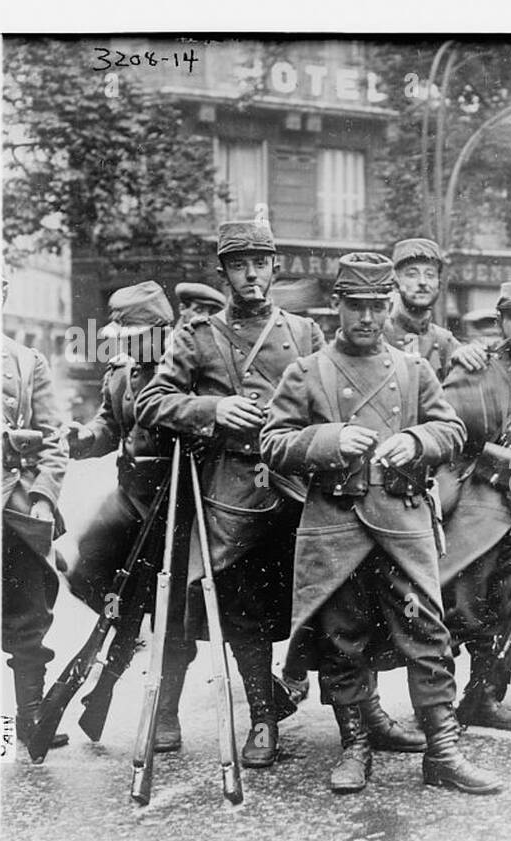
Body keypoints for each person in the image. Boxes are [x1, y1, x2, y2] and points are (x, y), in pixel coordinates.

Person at [260, 253, 501, 795]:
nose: (367, 318)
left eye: (377, 306)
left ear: (388, 306)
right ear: (337, 307)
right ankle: (355, 746)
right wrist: (327, 440)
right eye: (356, 307)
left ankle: (442, 749)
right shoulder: (307, 371)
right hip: (336, 526)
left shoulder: (414, 369)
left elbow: (452, 432)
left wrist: (416, 440)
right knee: (340, 640)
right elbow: (272, 443)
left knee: (427, 635)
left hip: (402, 522)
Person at [136, 219, 323, 769]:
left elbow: (326, 401)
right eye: (239, 264)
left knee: (328, 594)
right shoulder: (197, 335)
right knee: (244, 607)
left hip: (293, 485)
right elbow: (152, 402)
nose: (251, 274)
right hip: (228, 495)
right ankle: (263, 719)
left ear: (275, 268)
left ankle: (355, 722)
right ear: (223, 273)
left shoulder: (307, 333)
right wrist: (211, 410)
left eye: (260, 262)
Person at [65, 281, 195, 751]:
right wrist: (84, 438)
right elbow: (108, 423)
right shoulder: (121, 371)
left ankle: (166, 713)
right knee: (88, 564)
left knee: (173, 614)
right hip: (131, 493)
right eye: (121, 332)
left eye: (136, 333)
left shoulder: (185, 370)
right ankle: (127, 632)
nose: (125, 341)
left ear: (162, 331)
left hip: (178, 501)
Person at [438, 281, 511, 730]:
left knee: (508, 605)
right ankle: (439, 708)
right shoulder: (474, 367)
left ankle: (479, 696)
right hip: (476, 504)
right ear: (500, 321)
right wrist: (502, 459)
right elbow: (445, 433)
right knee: (460, 606)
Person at [2, 327, 69, 750]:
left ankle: (30, 718)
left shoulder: (26, 360)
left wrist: (43, 497)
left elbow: (53, 437)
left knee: (28, 612)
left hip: (10, 503)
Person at [382, 238, 462, 381]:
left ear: (439, 283)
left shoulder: (446, 343)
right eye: (412, 274)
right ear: (395, 282)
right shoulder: (380, 337)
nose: (423, 282)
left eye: (430, 275)